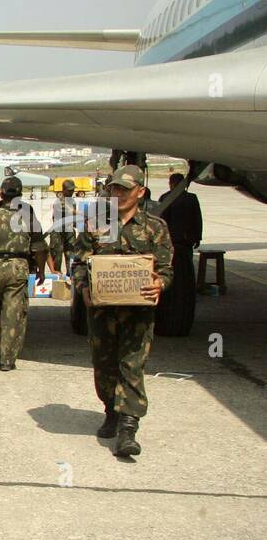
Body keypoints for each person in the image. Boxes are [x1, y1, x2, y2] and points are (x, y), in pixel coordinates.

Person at [73, 164, 173, 456]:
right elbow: (79, 264)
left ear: (140, 192)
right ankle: (111, 410)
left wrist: (160, 285)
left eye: (125, 189)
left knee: (132, 365)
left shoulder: (156, 227)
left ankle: (128, 427)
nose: (118, 194)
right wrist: (84, 290)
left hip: (138, 313)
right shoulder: (95, 224)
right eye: (115, 188)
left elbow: (166, 270)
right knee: (104, 365)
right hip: (102, 313)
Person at [0, 175, 47, 371]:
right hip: (18, 266)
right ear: (20, 195)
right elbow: (39, 247)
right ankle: (7, 358)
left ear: (1, 193)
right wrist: (41, 271)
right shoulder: (28, 217)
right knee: (13, 311)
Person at [161, 171, 202, 295]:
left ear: (172, 184)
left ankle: (172, 290)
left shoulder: (165, 198)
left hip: (170, 241)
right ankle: (186, 289)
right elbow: (197, 219)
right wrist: (198, 237)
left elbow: (161, 221)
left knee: (169, 268)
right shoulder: (191, 198)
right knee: (186, 270)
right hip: (186, 240)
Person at [48, 180, 79, 273]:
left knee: (71, 257)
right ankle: (57, 280)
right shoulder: (59, 201)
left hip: (69, 232)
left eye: (73, 190)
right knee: (57, 257)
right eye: (69, 190)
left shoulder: (72, 201)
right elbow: (69, 211)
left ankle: (71, 277)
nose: (72, 192)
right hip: (58, 233)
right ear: (63, 190)